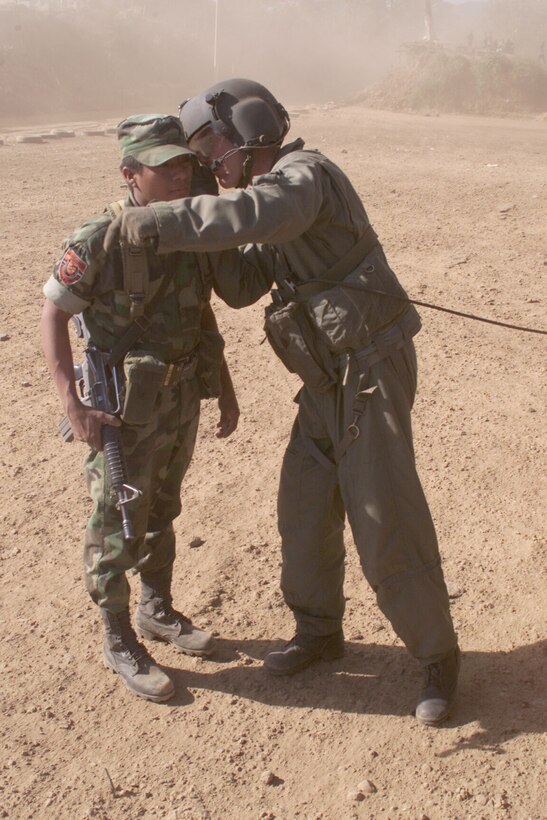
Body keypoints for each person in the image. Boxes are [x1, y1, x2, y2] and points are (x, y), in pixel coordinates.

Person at [104, 80, 461, 725]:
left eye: (214, 144)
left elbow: (255, 216)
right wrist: (199, 222)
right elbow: (242, 285)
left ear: (250, 127)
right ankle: (320, 631)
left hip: (370, 365)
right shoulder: (266, 203)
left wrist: (156, 220)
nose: (211, 160)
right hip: (326, 377)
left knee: (384, 516)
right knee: (302, 508)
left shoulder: (303, 178)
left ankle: (439, 656)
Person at [41, 114, 240, 703]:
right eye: (165, 167)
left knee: (162, 505)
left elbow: (202, 312)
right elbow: (53, 313)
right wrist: (71, 402)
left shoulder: (188, 228)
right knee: (115, 516)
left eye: (184, 163)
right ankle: (118, 633)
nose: (180, 175)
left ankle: (156, 607)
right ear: (131, 175)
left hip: (178, 396)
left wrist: (223, 385)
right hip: (123, 408)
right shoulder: (99, 235)